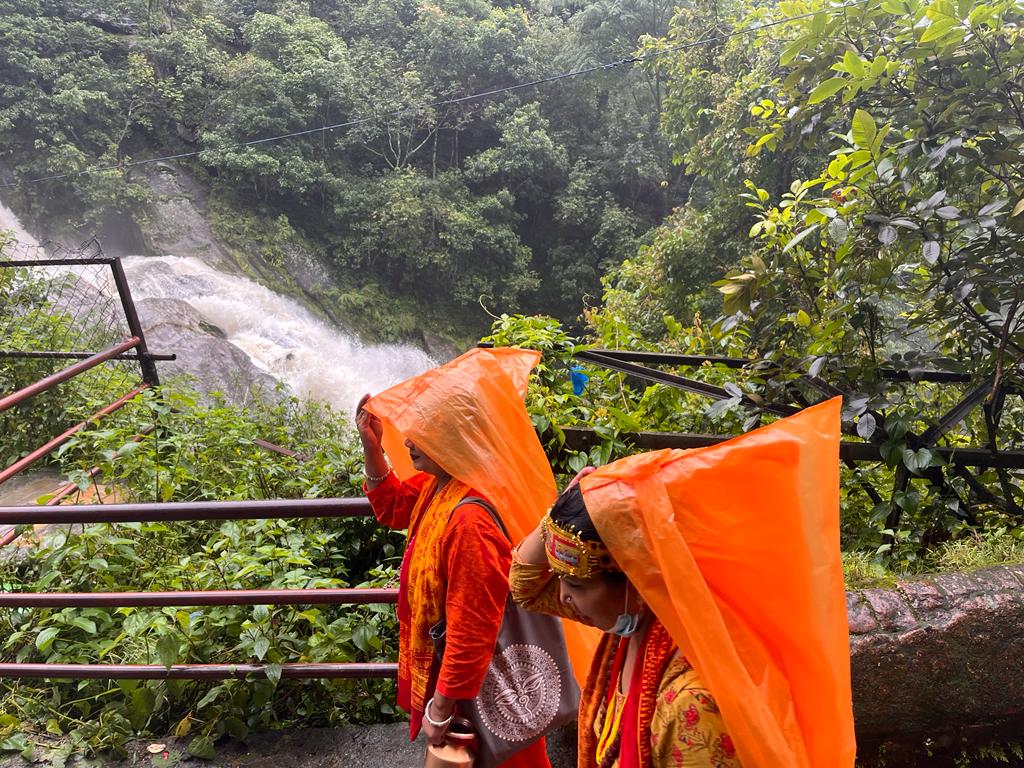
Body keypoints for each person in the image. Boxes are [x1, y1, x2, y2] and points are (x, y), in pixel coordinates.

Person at [511, 398, 856, 768]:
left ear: (640, 578)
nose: (562, 595)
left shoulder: (693, 702)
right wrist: (563, 509)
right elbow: (525, 586)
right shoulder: (641, 621)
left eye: (576, 585)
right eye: (562, 579)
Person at [355, 347, 576, 768]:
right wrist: (372, 447)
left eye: (423, 431)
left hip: (477, 687)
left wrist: (441, 707)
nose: (407, 439)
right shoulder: (446, 485)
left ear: (455, 436)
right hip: (468, 683)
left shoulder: (471, 518)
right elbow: (394, 508)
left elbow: (472, 627)